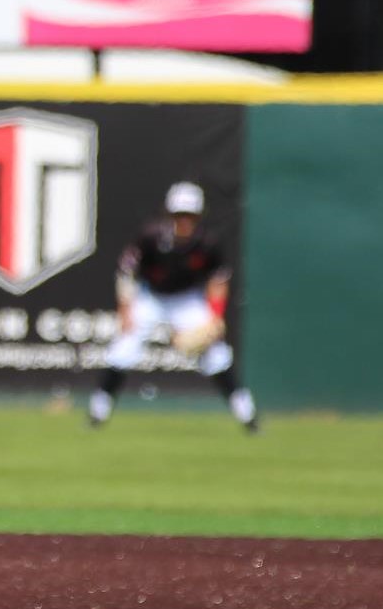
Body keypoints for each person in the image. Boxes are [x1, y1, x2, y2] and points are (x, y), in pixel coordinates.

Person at [88, 181, 260, 433]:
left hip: (186, 299)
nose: (185, 221)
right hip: (151, 297)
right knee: (123, 349)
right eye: (180, 215)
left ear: (199, 216)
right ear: (170, 214)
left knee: (217, 355)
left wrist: (215, 315)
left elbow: (218, 280)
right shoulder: (151, 237)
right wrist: (126, 311)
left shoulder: (208, 243)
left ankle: (247, 416)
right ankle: (97, 413)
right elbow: (126, 272)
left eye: (190, 216)